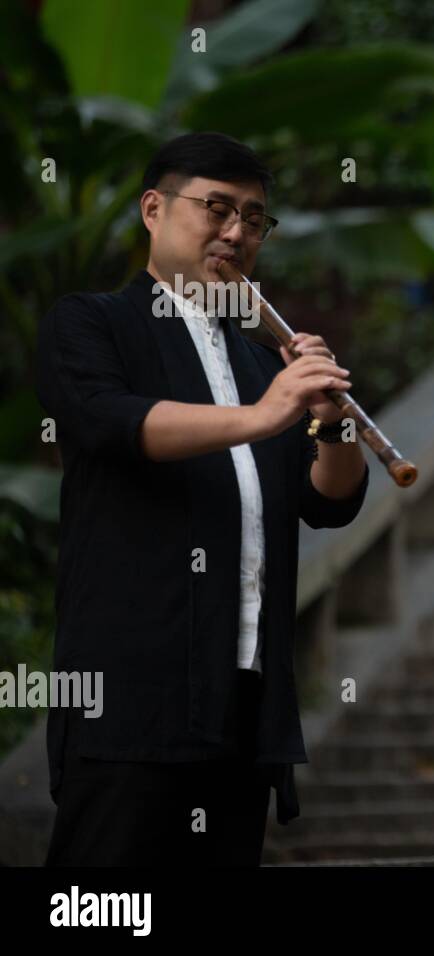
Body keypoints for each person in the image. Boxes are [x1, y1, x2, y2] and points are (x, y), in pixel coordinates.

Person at [35, 131, 369, 865]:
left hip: (244, 699)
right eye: (216, 208)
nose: (236, 232)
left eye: (254, 219)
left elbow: (329, 501)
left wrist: (333, 425)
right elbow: (113, 423)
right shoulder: (91, 323)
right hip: (130, 694)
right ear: (153, 210)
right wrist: (267, 414)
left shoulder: (258, 360)